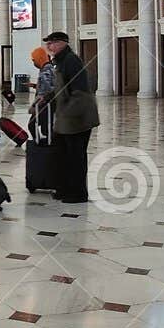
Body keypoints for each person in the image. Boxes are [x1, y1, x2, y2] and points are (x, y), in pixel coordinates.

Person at [44, 30, 99, 203]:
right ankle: (64, 189)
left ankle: (77, 194)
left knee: (75, 158)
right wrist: (46, 98)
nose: (48, 46)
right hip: (67, 118)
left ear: (62, 43)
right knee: (61, 155)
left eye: (51, 43)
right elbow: (63, 87)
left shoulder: (71, 61)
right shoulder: (61, 61)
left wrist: (67, 113)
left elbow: (80, 92)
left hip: (78, 119)